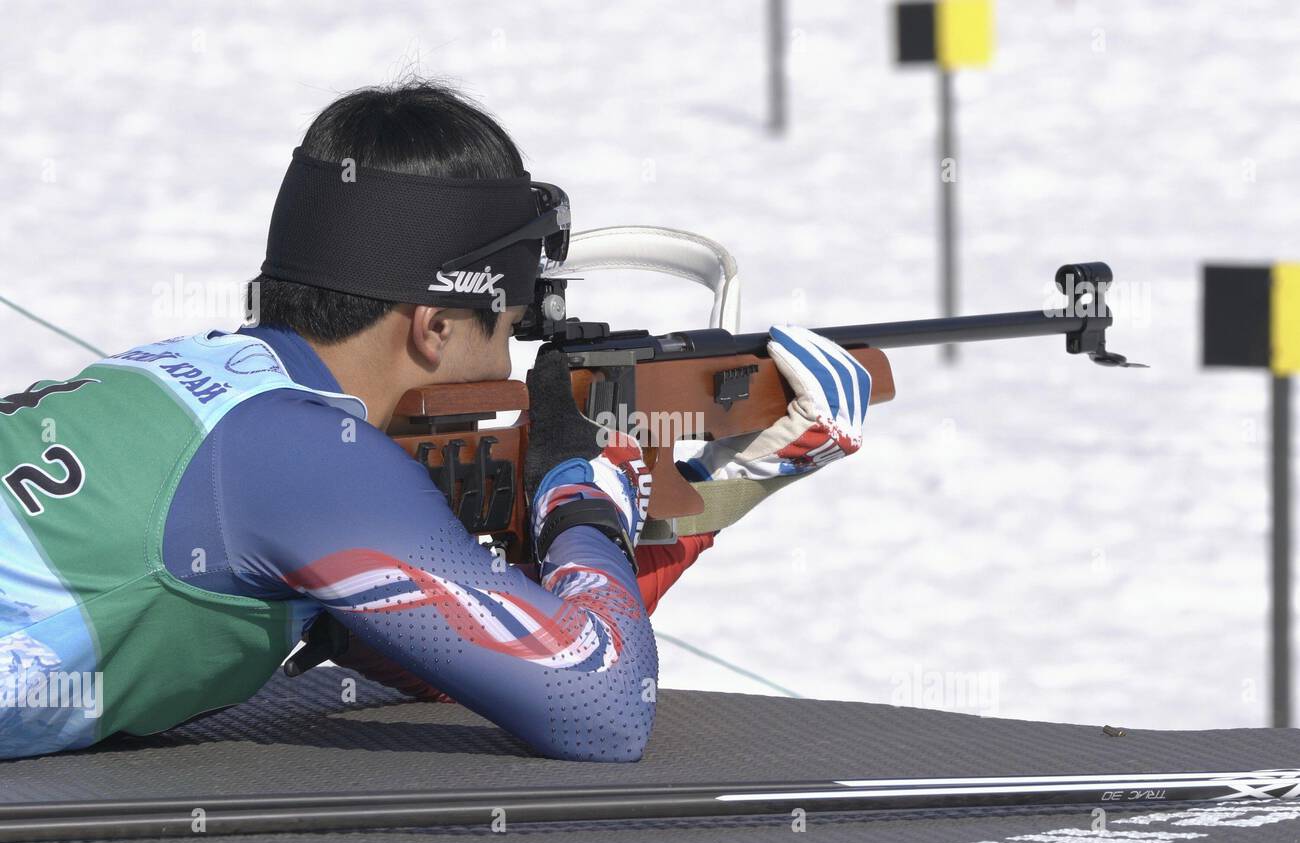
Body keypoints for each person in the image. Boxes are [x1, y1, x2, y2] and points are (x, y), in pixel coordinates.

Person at [0, 80, 871, 762]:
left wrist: (726, 483)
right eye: (513, 326)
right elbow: (599, 706)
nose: (509, 364)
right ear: (435, 325)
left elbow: (453, 658)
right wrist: (582, 504)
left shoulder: (191, 378)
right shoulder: (313, 460)